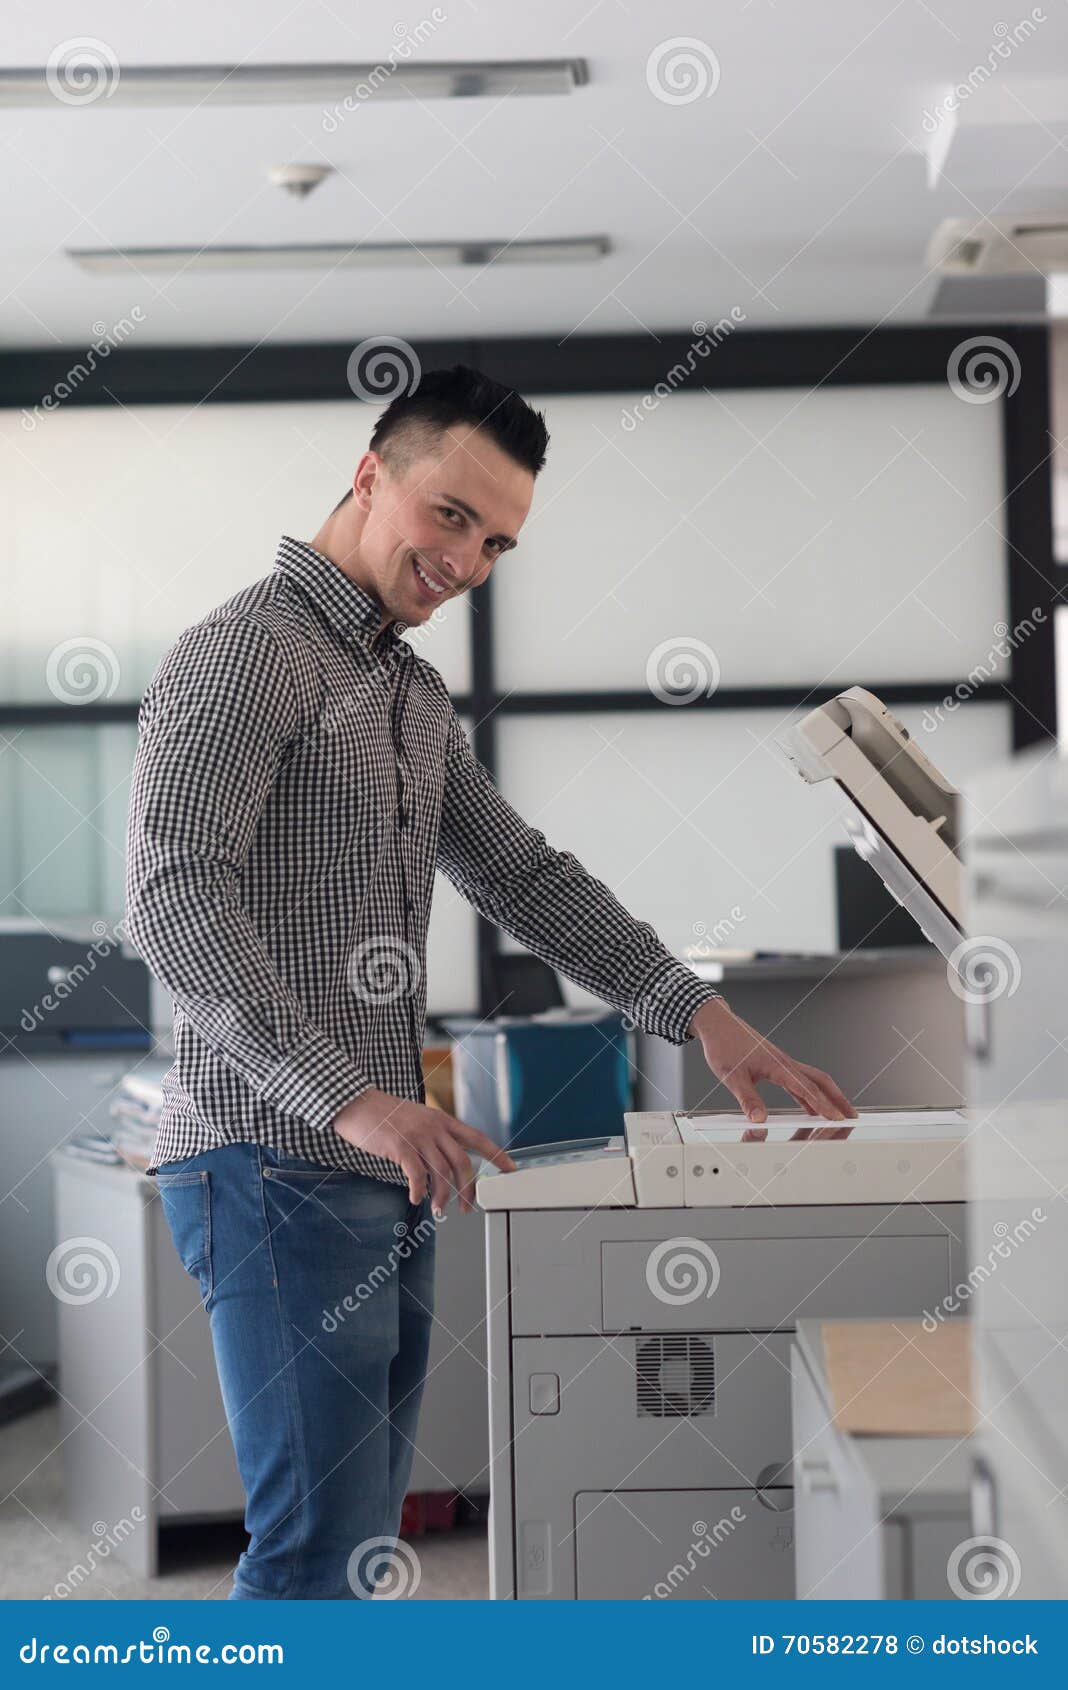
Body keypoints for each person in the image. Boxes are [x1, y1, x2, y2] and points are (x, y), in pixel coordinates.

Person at [124, 363, 856, 1599]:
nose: (467, 559)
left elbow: (523, 874)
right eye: (451, 514)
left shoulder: (404, 688)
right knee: (308, 1555)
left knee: (356, 1551)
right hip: (271, 1157)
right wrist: (352, 1097)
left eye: (499, 539)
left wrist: (705, 1017)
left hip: (375, 1165)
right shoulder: (253, 652)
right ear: (371, 475)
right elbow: (173, 898)